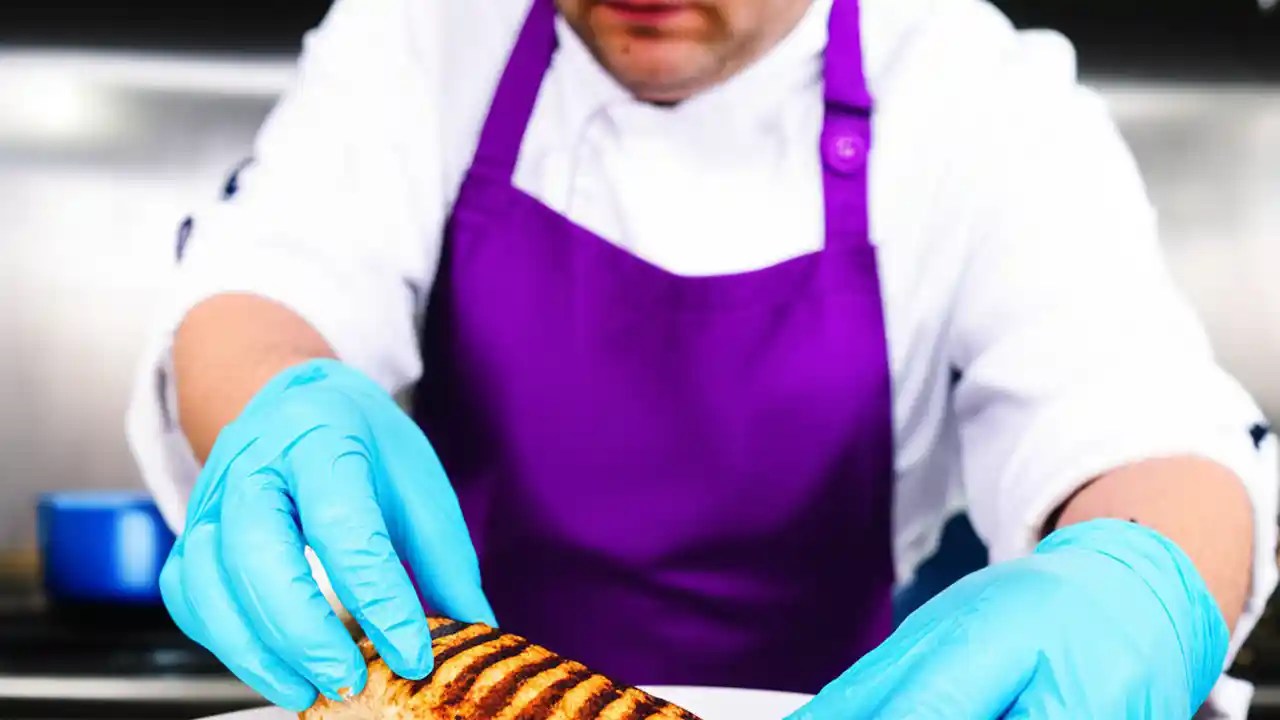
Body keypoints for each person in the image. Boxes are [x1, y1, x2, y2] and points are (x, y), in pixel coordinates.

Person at [126, 0, 1277, 717]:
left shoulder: (977, 94)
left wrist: (1137, 581)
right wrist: (281, 404)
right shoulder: (422, 32)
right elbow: (273, 279)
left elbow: (1133, 412)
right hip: (459, 700)